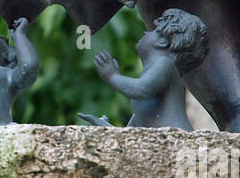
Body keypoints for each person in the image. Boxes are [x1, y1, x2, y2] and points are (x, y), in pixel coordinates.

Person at [79, 9, 209, 130]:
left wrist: (112, 76)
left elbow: (140, 89)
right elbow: (135, 128)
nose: (146, 32)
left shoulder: (166, 65)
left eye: (154, 30)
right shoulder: (154, 76)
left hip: (178, 142)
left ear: (162, 42)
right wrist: (110, 129)